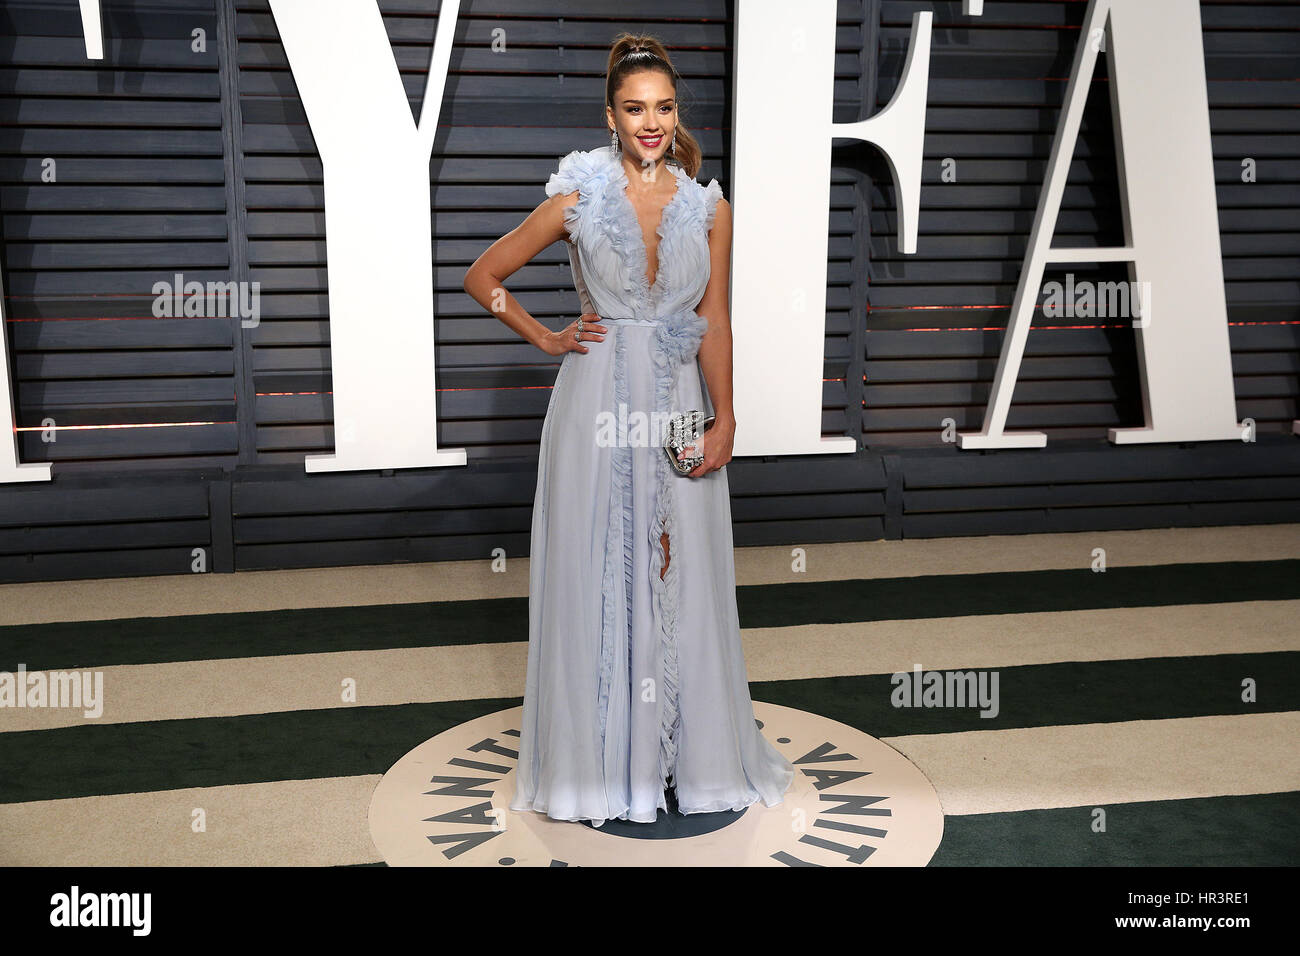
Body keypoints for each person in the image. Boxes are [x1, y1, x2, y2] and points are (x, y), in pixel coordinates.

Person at [462, 33, 794, 827]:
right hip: (593, 406)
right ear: (609, 114)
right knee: (598, 568)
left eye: (665, 108)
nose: (652, 123)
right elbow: (484, 275)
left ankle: (684, 757)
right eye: (635, 108)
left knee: (680, 567)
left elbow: (714, 320)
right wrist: (545, 337)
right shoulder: (576, 202)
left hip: (680, 393)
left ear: (677, 114)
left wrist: (727, 417)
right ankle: (606, 767)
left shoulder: (709, 207)